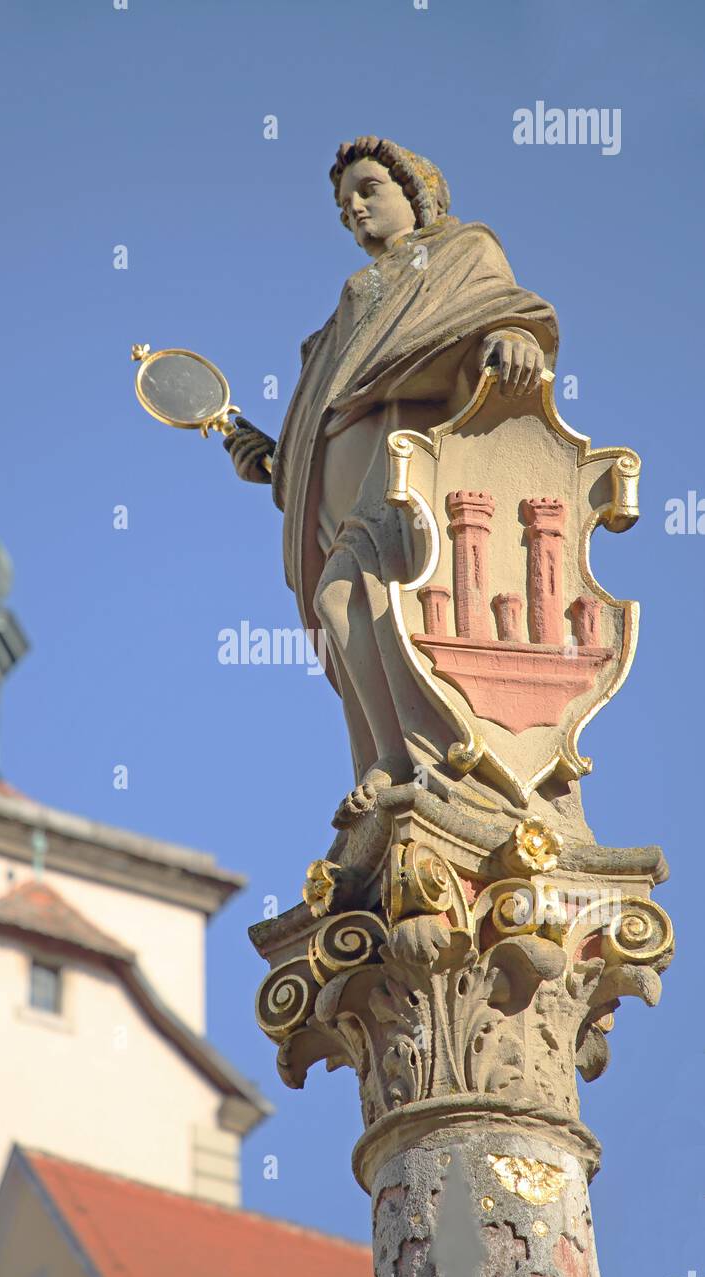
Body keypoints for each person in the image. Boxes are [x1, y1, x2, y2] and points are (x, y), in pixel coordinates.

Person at [225, 136, 559, 822]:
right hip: (346, 494)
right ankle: (390, 754)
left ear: (416, 193)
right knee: (336, 606)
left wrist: (512, 335)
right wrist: (270, 456)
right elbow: (315, 426)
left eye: (369, 190)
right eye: (344, 205)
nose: (354, 209)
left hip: (414, 474)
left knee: (373, 603)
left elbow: (494, 314)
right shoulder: (339, 320)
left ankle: (425, 755)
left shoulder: (462, 252)